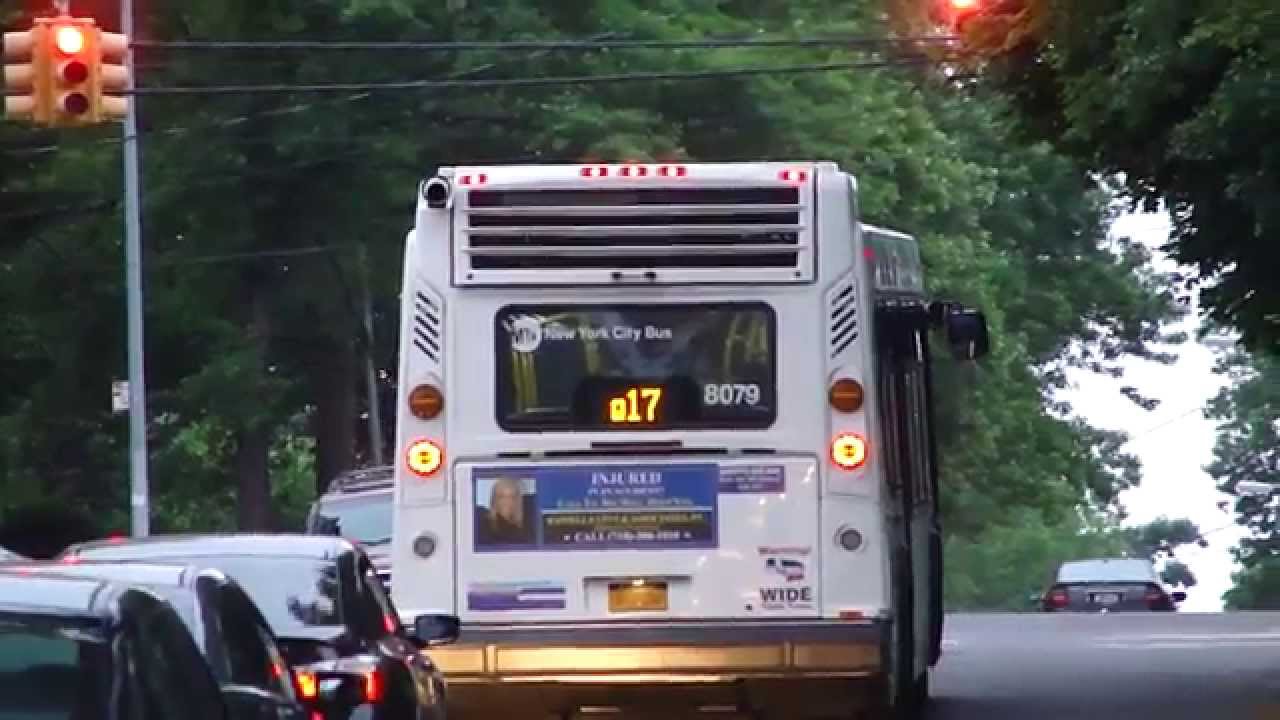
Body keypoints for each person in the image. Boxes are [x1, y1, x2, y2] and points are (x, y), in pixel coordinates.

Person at [475, 477, 536, 547]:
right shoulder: (483, 524)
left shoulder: (528, 524)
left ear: (518, 500)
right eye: (501, 497)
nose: (507, 502)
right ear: (494, 500)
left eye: (512, 497)